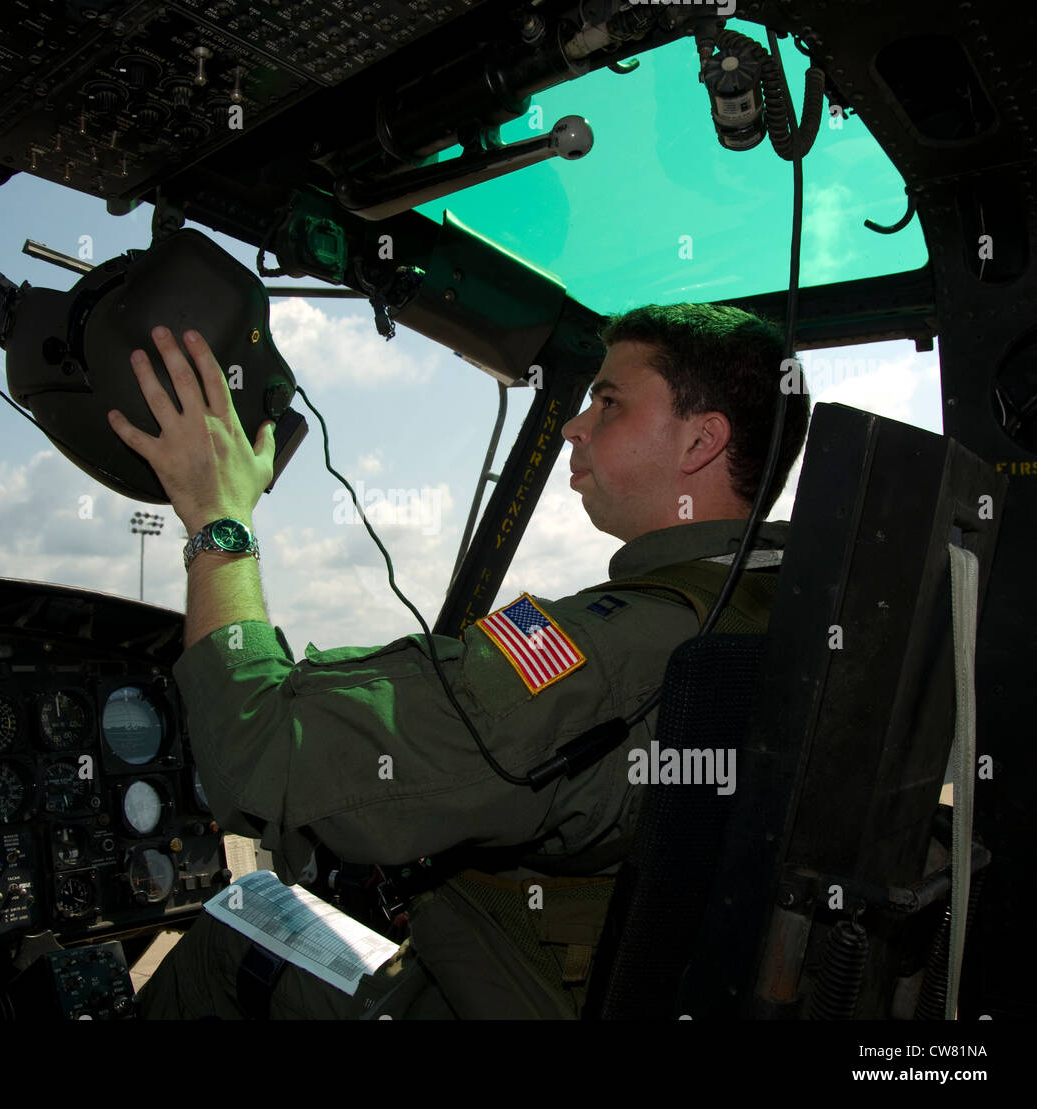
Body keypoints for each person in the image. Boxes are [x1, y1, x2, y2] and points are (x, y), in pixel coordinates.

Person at [105, 302, 811, 1019]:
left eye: (608, 400)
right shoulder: (786, 605)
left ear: (700, 441)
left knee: (239, 919)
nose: (574, 424)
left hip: (509, 992)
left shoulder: (604, 645)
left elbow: (258, 753)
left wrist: (216, 516)